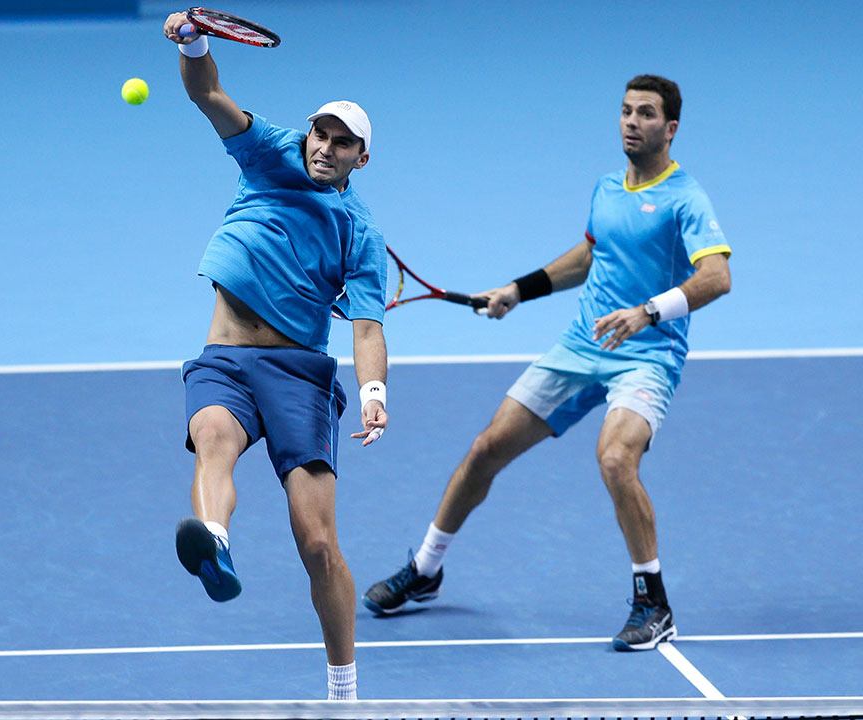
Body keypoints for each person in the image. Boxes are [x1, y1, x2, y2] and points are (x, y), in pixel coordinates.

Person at [362, 74, 731, 651]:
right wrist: (518, 289)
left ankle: (653, 604)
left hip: (647, 355)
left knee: (615, 458)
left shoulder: (686, 198)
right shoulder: (608, 188)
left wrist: (648, 313)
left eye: (647, 114)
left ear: (671, 128)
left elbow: (717, 276)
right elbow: (589, 255)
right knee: (486, 449)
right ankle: (427, 568)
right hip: (582, 346)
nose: (633, 122)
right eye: (627, 111)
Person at [163, 14, 389, 699]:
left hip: (299, 375)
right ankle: (214, 543)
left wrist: (374, 393)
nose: (324, 147)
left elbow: (369, 328)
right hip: (224, 359)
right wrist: (193, 42)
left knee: (317, 543)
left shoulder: (361, 235)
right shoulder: (270, 152)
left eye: (342, 142)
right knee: (213, 441)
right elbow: (210, 95)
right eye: (321, 133)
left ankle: (344, 689)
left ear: (360, 158)